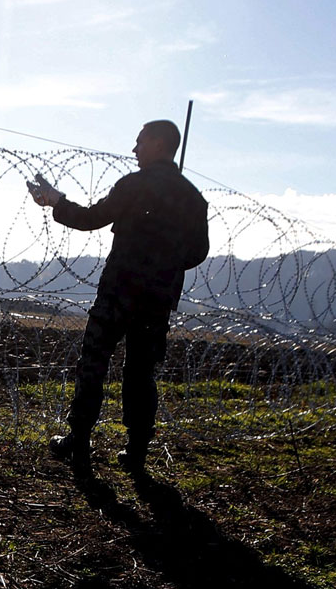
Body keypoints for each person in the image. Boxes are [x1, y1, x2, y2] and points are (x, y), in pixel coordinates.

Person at [27, 120, 209, 470]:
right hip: (157, 299)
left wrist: (56, 201)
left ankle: (78, 438)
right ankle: (136, 451)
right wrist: (165, 266)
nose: (134, 149)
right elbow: (198, 251)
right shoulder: (192, 197)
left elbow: (91, 218)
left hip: (119, 291)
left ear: (157, 144)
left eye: (140, 142)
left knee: (94, 362)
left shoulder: (134, 185)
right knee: (141, 373)